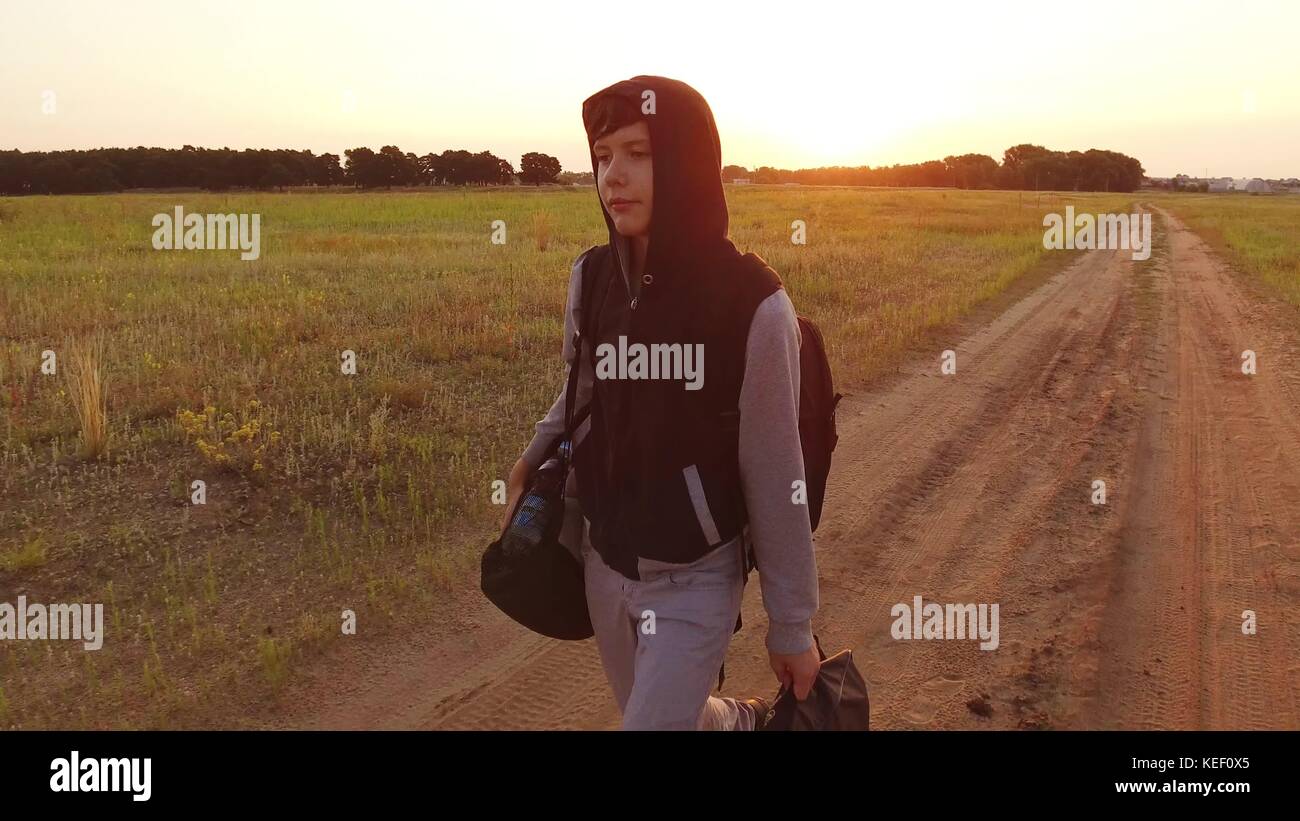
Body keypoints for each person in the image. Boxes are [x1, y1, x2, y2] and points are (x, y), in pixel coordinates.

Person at [502, 75, 819, 730]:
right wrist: (533, 455)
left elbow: (775, 471)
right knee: (673, 717)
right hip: (604, 563)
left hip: (696, 578)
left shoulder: (753, 305)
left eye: (638, 154)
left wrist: (792, 623)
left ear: (686, 160)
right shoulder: (590, 279)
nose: (613, 176)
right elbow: (582, 390)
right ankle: (737, 722)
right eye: (602, 157)